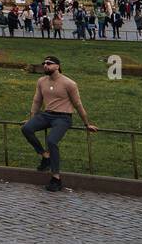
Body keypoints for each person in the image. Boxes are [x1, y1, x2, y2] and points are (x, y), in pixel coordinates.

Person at [22, 56, 96, 193]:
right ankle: (45, 156)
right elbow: (37, 101)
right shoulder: (41, 81)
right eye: (44, 63)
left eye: (49, 64)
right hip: (47, 114)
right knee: (26, 128)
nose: (45, 65)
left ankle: (56, 178)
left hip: (63, 117)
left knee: (51, 141)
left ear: (57, 66)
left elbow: (78, 104)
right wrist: (32, 119)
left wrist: (87, 123)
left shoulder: (69, 83)